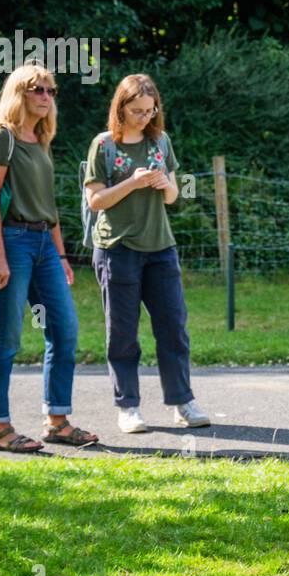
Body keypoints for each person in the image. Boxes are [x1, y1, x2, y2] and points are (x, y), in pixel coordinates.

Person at [0, 64, 99, 452]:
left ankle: (57, 421)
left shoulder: (41, 139)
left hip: (46, 246)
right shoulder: (2, 137)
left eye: (50, 90)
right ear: (19, 94)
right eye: (37, 90)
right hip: (12, 242)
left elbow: (50, 206)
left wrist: (61, 255)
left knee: (64, 331)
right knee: (6, 336)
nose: (46, 97)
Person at [84, 73, 209, 433]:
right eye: (137, 111)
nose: (144, 118)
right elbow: (96, 200)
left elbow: (172, 197)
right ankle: (128, 406)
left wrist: (163, 183)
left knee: (173, 329)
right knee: (123, 332)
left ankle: (182, 402)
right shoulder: (104, 145)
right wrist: (133, 182)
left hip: (161, 248)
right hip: (117, 249)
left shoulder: (161, 140)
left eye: (150, 111)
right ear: (120, 107)